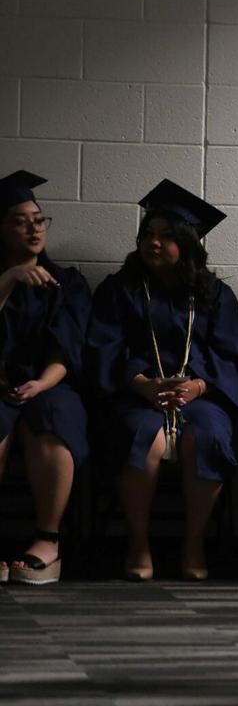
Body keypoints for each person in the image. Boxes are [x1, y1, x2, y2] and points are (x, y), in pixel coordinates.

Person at [86, 180, 238, 582]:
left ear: (189, 244)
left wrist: (199, 385)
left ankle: (193, 542)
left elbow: (234, 355)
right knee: (141, 437)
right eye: (148, 235)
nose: (154, 243)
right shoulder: (119, 289)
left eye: (166, 236)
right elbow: (101, 348)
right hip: (136, 395)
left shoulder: (215, 294)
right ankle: (139, 542)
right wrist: (139, 383)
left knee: (209, 436)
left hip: (201, 396)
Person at [0, 171, 91, 585]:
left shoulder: (66, 282)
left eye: (39, 219)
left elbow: (66, 350)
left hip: (48, 383)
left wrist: (42, 383)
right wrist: (7, 280)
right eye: (21, 220)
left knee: (55, 414)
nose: (34, 228)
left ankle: (47, 541)